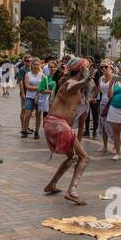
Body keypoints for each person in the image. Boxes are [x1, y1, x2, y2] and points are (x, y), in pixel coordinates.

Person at [42, 59, 92, 206]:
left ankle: (51, 184)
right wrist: (85, 81)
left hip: (53, 124)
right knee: (84, 158)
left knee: (72, 157)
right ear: (81, 71)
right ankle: (72, 191)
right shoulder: (70, 83)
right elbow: (71, 87)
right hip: (58, 125)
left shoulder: (74, 85)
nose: (88, 71)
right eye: (86, 69)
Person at [21, 57, 44, 138]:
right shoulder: (28, 74)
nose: (36, 66)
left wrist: (38, 89)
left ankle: (37, 132)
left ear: (40, 65)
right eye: (34, 64)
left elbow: (43, 87)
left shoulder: (42, 75)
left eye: (38, 65)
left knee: (38, 115)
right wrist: (38, 87)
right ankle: (24, 130)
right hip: (29, 97)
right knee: (27, 115)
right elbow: (27, 86)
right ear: (32, 65)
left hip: (39, 97)